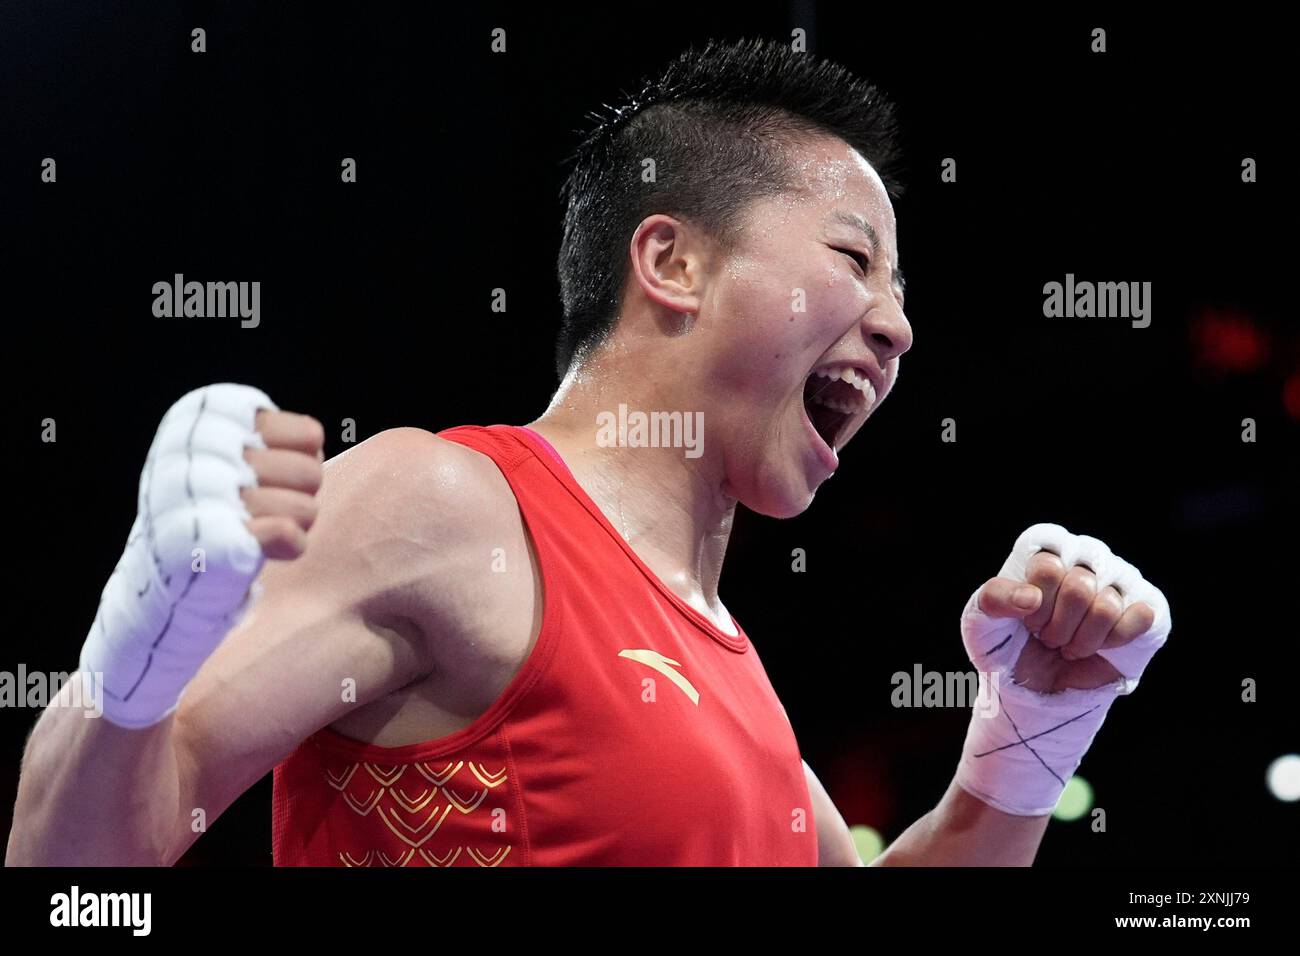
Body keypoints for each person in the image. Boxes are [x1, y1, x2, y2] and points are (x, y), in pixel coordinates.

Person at [6, 37, 1169, 867]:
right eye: (855, 257)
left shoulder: (744, 693)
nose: (899, 323)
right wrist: (131, 663)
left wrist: (1023, 742)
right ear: (671, 263)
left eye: (902, 289)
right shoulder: (444, 504)